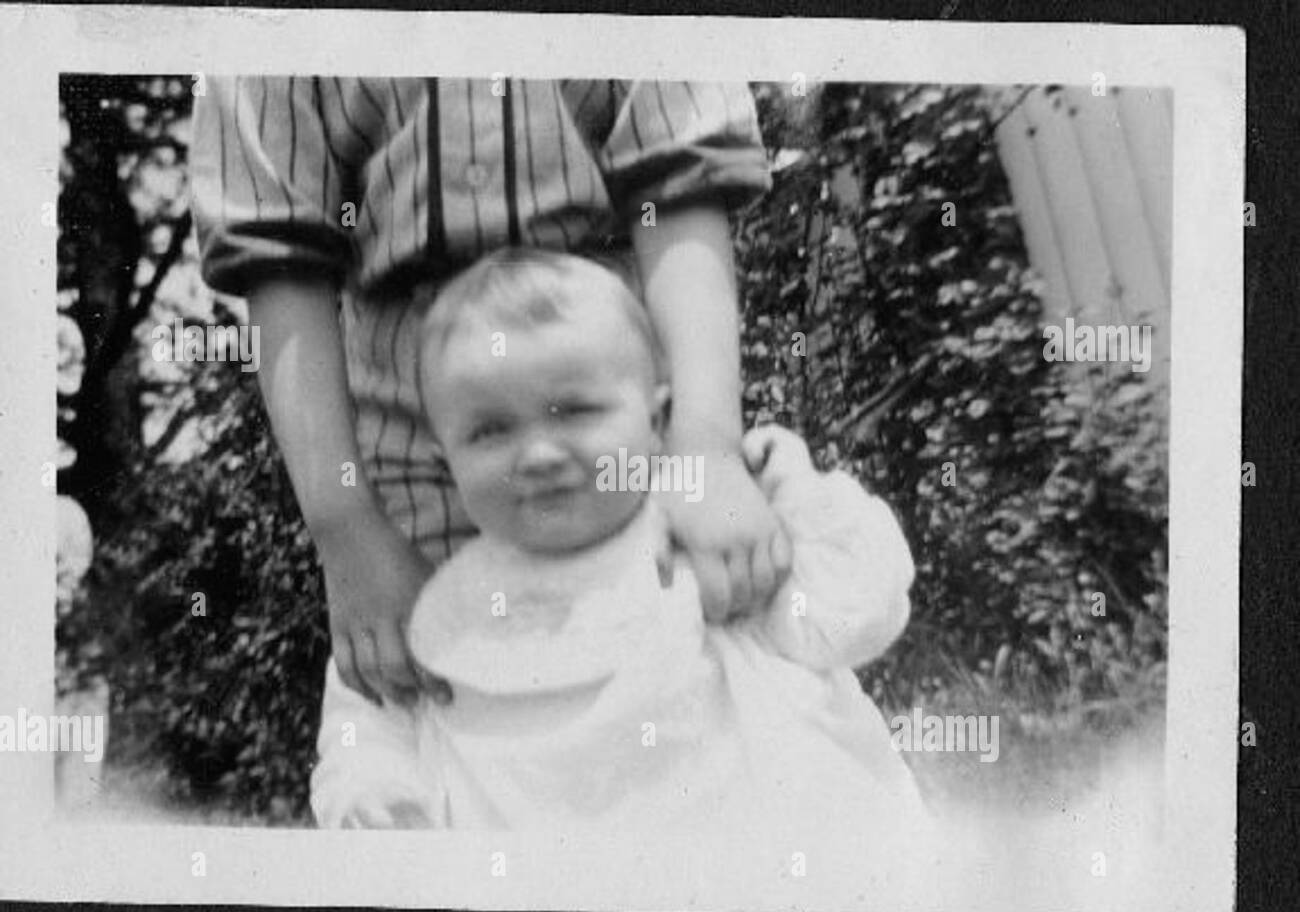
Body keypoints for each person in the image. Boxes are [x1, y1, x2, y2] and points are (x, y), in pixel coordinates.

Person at [190, 77, 790, 714]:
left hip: (622, 433)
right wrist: (346, 530)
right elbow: (277, 248)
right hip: (410, 467)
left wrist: (706, 447)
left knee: (692, 693)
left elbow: (680, 173)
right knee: (441, 724)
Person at [310, 248, 926, 837]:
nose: (539, 454)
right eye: (490, 430)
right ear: (447, 462)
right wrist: (372, 788)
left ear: (658, 420)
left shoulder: (709, 543)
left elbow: (862, 612)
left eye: (574, 410)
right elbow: (368, 715)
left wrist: (793, 493)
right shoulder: (444, 603)